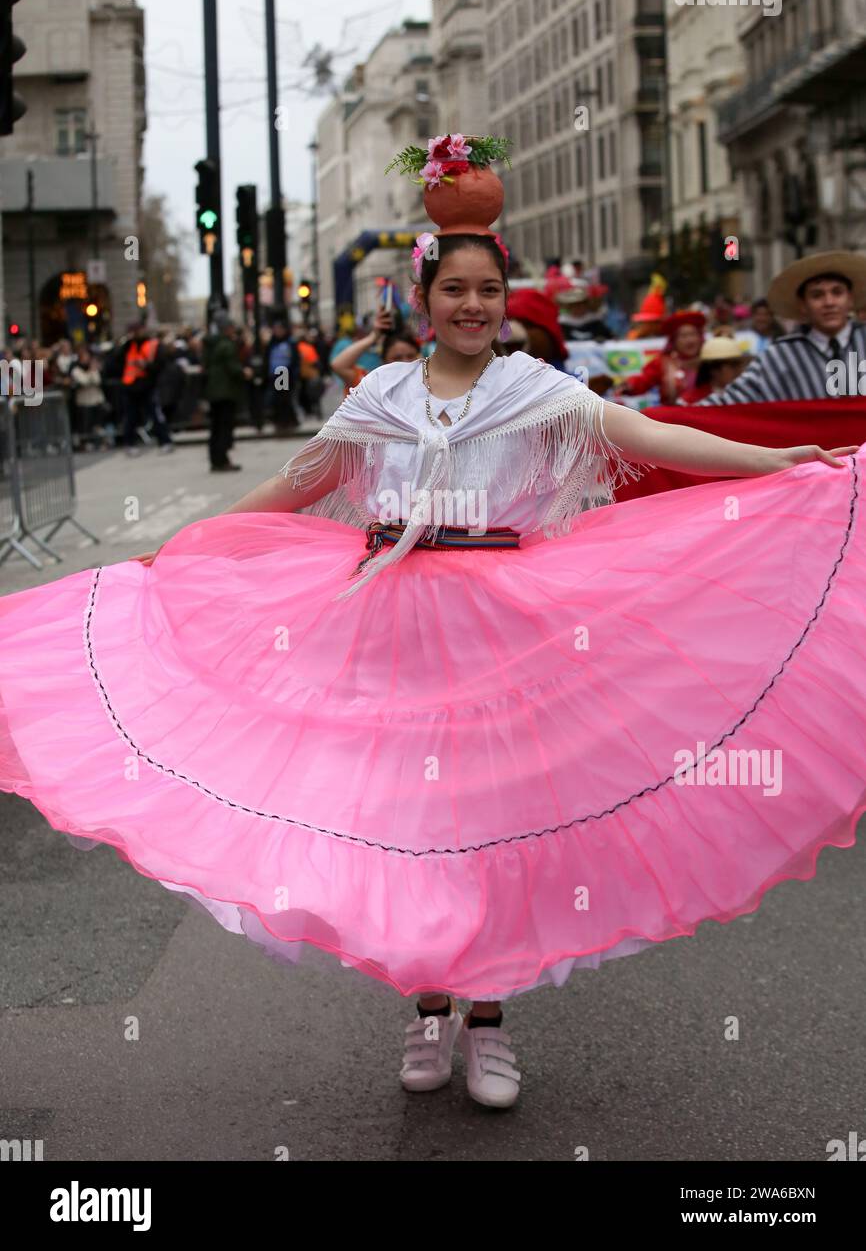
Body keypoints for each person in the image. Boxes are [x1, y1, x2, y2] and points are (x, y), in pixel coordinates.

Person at [0, 133, 863, 1115]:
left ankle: (487, 1017)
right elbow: (296, 482)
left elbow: (657, 437)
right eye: (451, 290)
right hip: (391, 626)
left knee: (489, 826)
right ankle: (425, 1005)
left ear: (504, 303)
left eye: (485, 293)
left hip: (509, 624)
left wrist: (786, 462)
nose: (469, 306)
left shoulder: (537, 390)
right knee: (408, 819)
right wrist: (186, 545)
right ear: (423, 302)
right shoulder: (379, 395)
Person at [698, 251, 866, 404]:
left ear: (850, 299)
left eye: (837, 292)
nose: (829, 303)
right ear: (803, 305)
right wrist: (678, 419)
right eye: (817, 295)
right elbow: (729, 403)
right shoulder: (779, 357)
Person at [615, 311, 705, 405]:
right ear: (674, 340)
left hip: (707, 413)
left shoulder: (711, 360)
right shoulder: (663, 362)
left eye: (693, 334)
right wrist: (629, 385)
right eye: (684, 336)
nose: (690, 340)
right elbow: (644, 380)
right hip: (674, 416)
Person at [203, 313, 253, 473]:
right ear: (227, 329)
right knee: (225, 426)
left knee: (215, 426)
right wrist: (244, 372)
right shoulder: (227, 345)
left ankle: (215, 459)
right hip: (226, 391)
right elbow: (233, 368)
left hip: (213, 391)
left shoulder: (210, 344)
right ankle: (223, 459)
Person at [117, 319, 174, 456]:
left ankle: (165, 441)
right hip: (131, 387)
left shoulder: (153, 344)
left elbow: (161, 364)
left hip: (147, 386)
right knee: (131, 417)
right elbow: (117, 362)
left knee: (155, 415)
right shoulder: (127, 346)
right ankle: (130, 444)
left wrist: (146, 366)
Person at [677, 337, 752, 405]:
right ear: (714, 370)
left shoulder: (749, 396)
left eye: (740, 364)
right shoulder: (690, 402)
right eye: (734, 365)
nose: (739, 370)